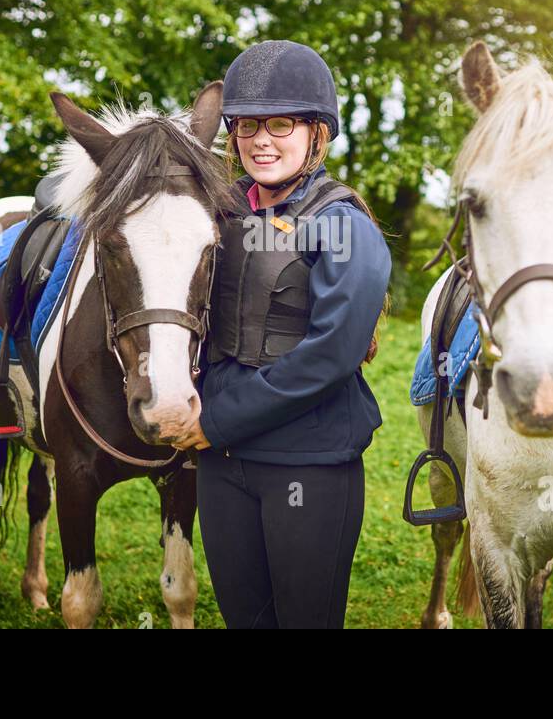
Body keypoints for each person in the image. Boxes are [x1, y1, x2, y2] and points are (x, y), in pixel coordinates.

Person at [166, 40, 391, 628]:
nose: (260, 140)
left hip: (306, 466)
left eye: (281, 124)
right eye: (246, 127)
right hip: (221, 467)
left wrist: (213, 423)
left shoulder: (344, 228)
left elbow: (331, 356)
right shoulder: (217, 216)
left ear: (317, 132)